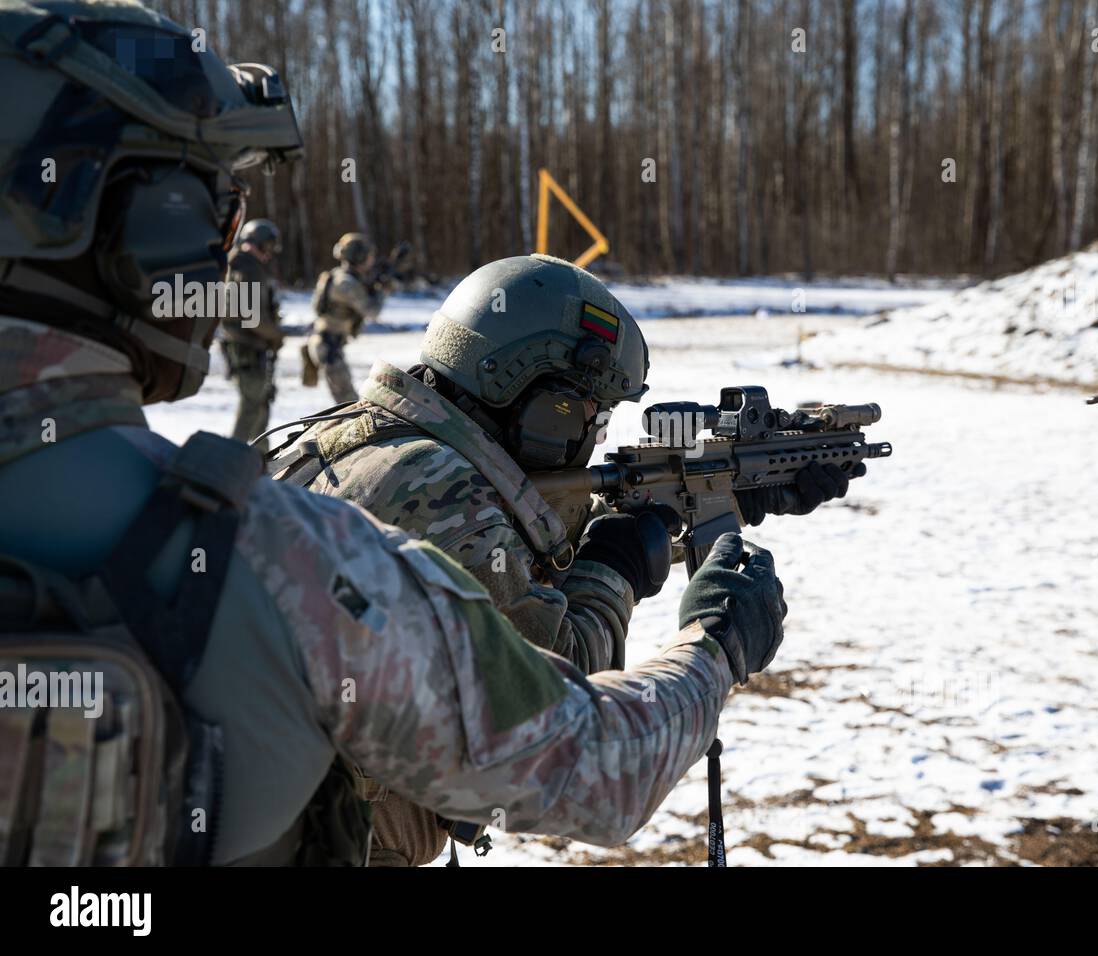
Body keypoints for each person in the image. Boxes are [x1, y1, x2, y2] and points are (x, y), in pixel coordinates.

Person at [0, 0, 787, 866]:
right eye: (213, 213)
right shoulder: (292, 561)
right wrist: (715, 643)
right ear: (147, 230)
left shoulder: (309, 471)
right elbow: (591, 765)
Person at [269, 253, 858, 864]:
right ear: (540, 402)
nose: (598, 436)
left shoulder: (370, 440)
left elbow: (508, 570)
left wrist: (717, 498)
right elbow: (558, 705)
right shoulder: (439, 489)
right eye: (592, 414)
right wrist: (616, 570)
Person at [221, 219, 284, 449]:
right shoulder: (248, 267)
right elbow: (254, 317)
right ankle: (231, 462)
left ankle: (261, 463)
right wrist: (275, 335)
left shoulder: (237, 265)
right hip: (248, 347)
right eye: (266, 246)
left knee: (259, 408)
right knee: (252, 408)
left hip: (244, 347)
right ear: (254, 243)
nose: (269, 253)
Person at [304, 233, 386, 403]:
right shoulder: (346, 283)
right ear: (359, 256)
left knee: (346, 404)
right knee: (348, 406)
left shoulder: (336, 276)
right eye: (368, 256)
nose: (371, 260)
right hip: (328, 347)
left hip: (326, 344)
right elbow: (372, 311)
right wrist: (382, 289)